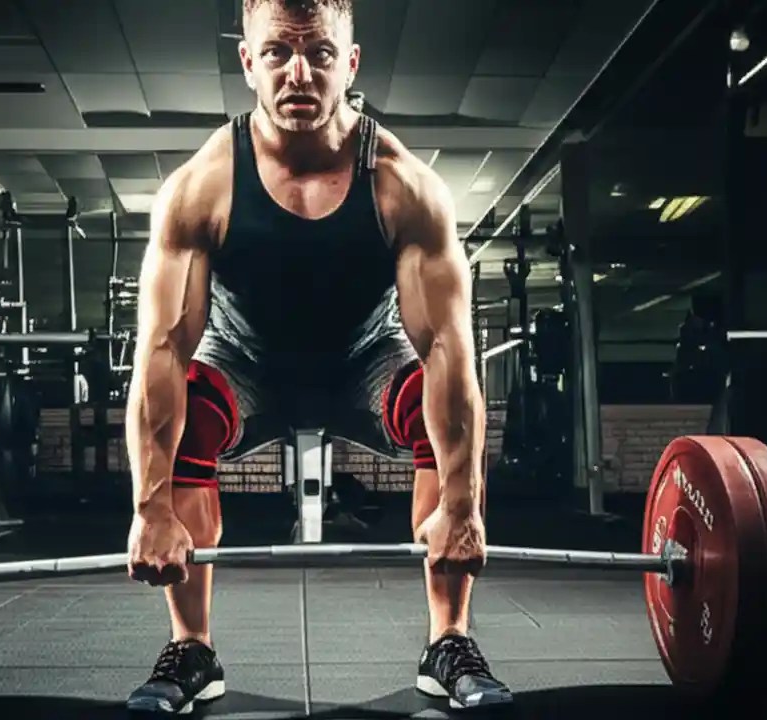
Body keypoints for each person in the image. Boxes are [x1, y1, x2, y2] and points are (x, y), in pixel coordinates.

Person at [123, 0, 512, 713]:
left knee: (429, 406)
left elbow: (447, 348)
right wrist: (150, 510)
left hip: (364, 359)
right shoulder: (202, 186)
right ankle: (191, 647)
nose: (298, 73)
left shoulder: (404, 185)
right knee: (191, 409)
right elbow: (163, 349)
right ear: (248, 62)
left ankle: (449, 640)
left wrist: (461, 506)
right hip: (246, 363)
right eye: (277, 52)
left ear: (350, 62)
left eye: (320, 54)